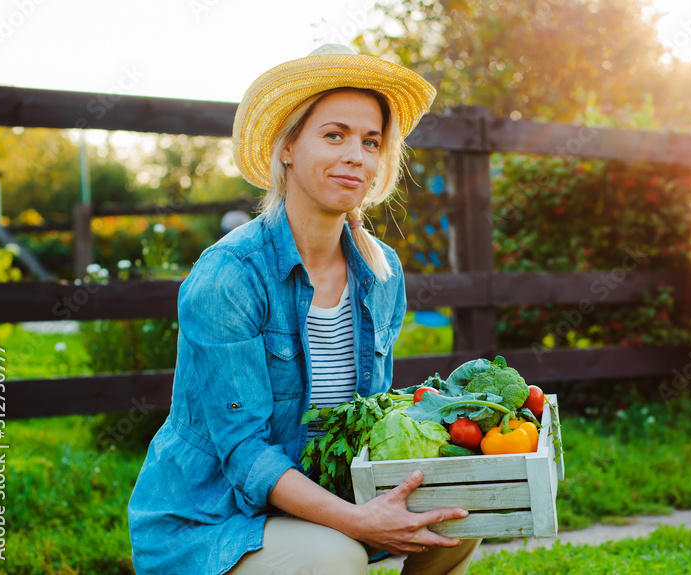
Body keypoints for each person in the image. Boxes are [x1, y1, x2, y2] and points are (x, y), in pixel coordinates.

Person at [128, 43, 481, 575]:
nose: (355, 156)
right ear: (288, 145)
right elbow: (245, 454)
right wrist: (356, 522)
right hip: (212, 519)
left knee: (459, 519)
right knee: (335, 556)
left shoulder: (381, 271)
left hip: (325, 496)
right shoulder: (230, 276)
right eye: (334, 135)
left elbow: (370, 415)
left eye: (370, 141)